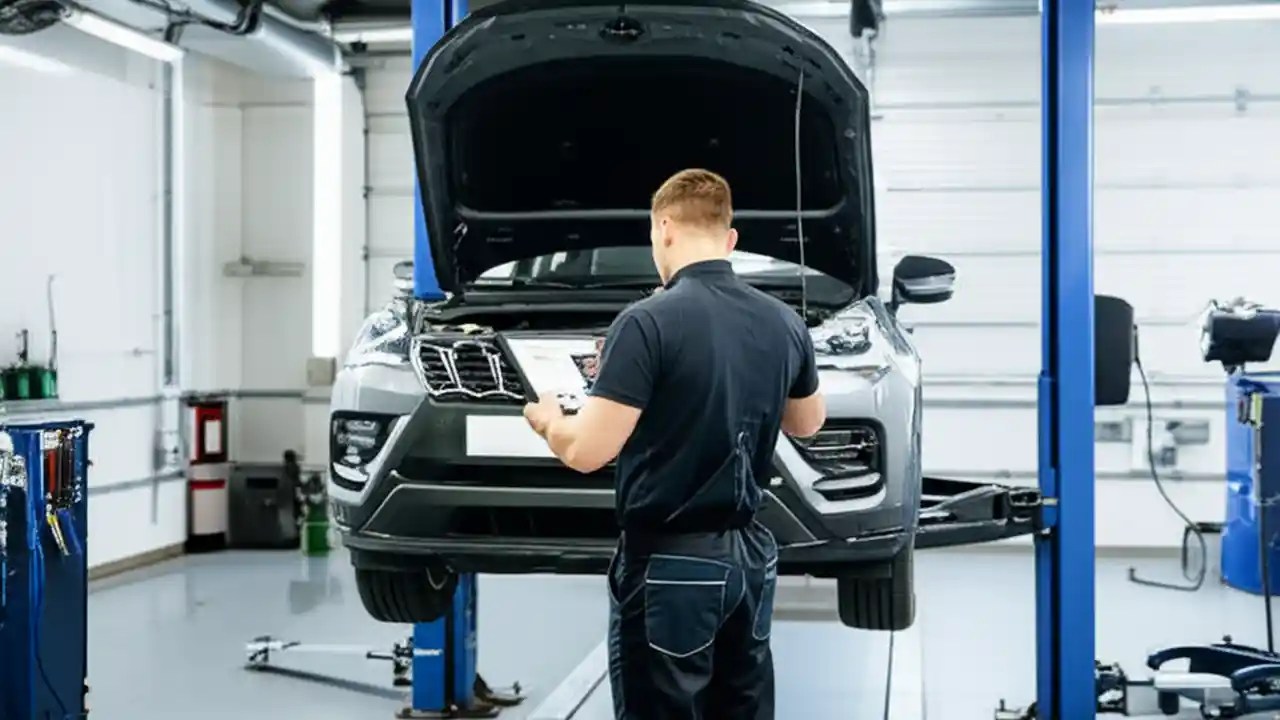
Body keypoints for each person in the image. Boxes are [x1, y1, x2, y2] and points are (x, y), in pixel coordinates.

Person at [522, 168, 826, 719]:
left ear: (663, 228)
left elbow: (586, 452)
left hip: (670, 566)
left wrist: (547, 419)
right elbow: (807, 422)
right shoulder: (784, 321)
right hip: (750, 561)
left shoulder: (646, 322)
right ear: (730, 239)